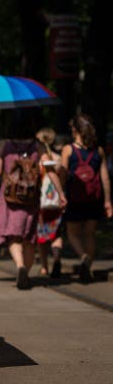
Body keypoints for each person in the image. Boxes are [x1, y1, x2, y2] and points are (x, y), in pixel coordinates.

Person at [0, 131, 66, 289]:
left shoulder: (3, 144)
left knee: (13, 236)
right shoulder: (37, 146)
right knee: (29, 237)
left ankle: (20, 267)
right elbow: (50, 170)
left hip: (9, 198)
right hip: (31, 198)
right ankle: (26, 269)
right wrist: (60, 193)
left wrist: (0, 156)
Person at [60, 113, 112, 282]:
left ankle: (83, 257)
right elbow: (104, 177)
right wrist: (108, 201)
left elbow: (62, 174)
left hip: (74, 198)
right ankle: (87, 269)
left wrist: (61, 194)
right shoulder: (99, 151)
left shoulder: (68, 150)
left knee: (72, 233)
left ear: (75, 130)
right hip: (93, 199)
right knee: (90, 234)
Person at [34, 128, 67, 277]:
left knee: (42, 235)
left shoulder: (39, 159)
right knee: (56, 234)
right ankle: (57, 260)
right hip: (56, 201)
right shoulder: (58, 159)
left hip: (41, 202)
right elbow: (64, 178)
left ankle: (44, 266)